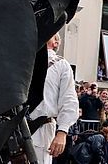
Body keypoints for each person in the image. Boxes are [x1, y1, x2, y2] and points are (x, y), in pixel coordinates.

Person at [29, 34, 80, 164]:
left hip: (41, 130)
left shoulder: (60, 65)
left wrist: (62, 131)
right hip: (13, 129)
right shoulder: (19, 61)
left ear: (56, 42)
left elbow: (69, 100)